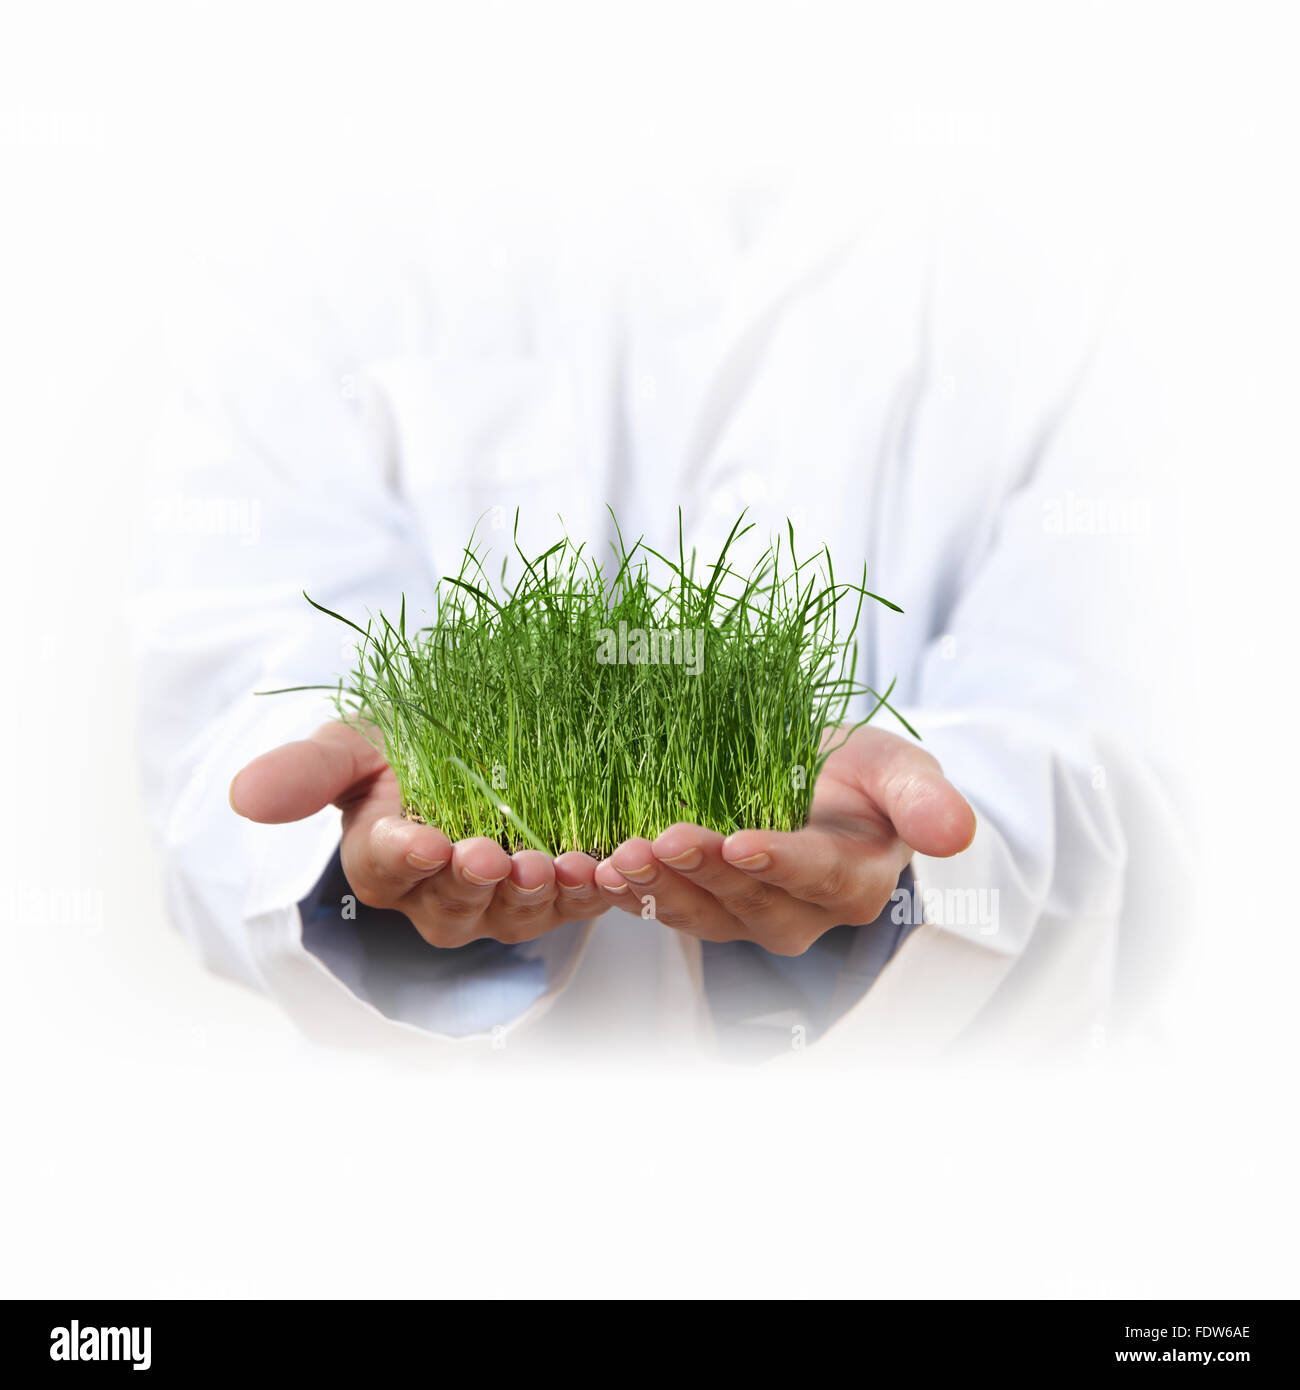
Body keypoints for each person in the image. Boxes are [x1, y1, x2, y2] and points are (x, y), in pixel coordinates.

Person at [136, 187, 1183, 1060]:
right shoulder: (312, 221)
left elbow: (1121, 719)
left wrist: (928, 857)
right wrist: (363, 839)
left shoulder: (1092, 237)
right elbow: (237, 670)